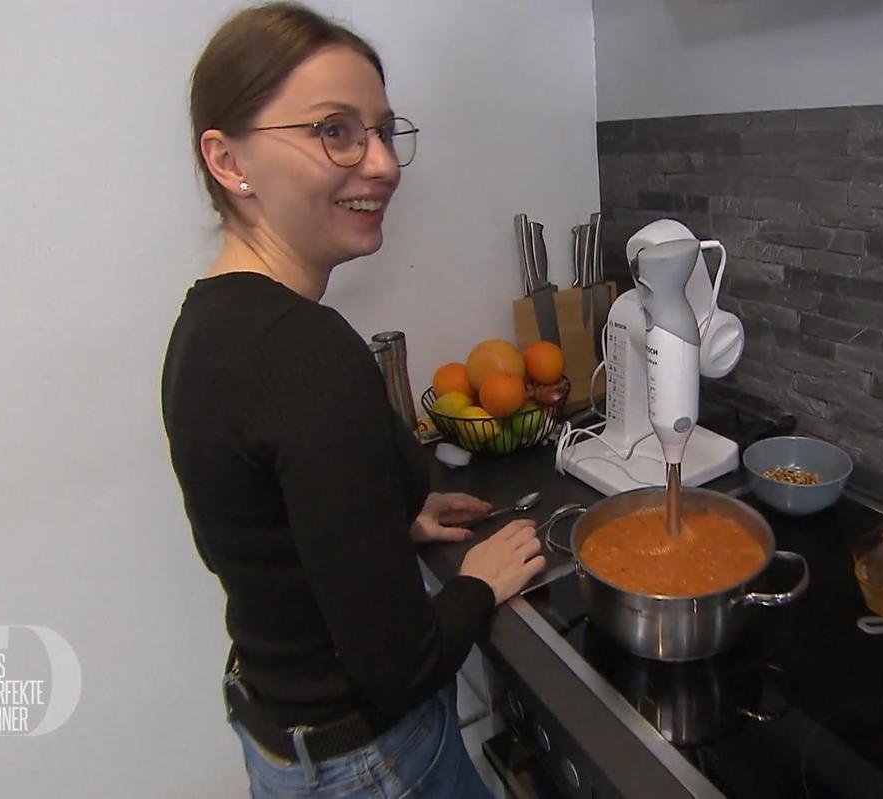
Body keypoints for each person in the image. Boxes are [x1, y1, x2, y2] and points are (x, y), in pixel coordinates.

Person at [162, 4, 546, 796]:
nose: (380, 164)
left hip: (278, 734)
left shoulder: (207, 321)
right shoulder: (304, 348)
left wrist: (390, 516)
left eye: (381, 129)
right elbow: (398, 665)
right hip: (370, 764)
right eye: (334, 130)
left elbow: (271, 518)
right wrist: (479, 581)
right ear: (228, 159)